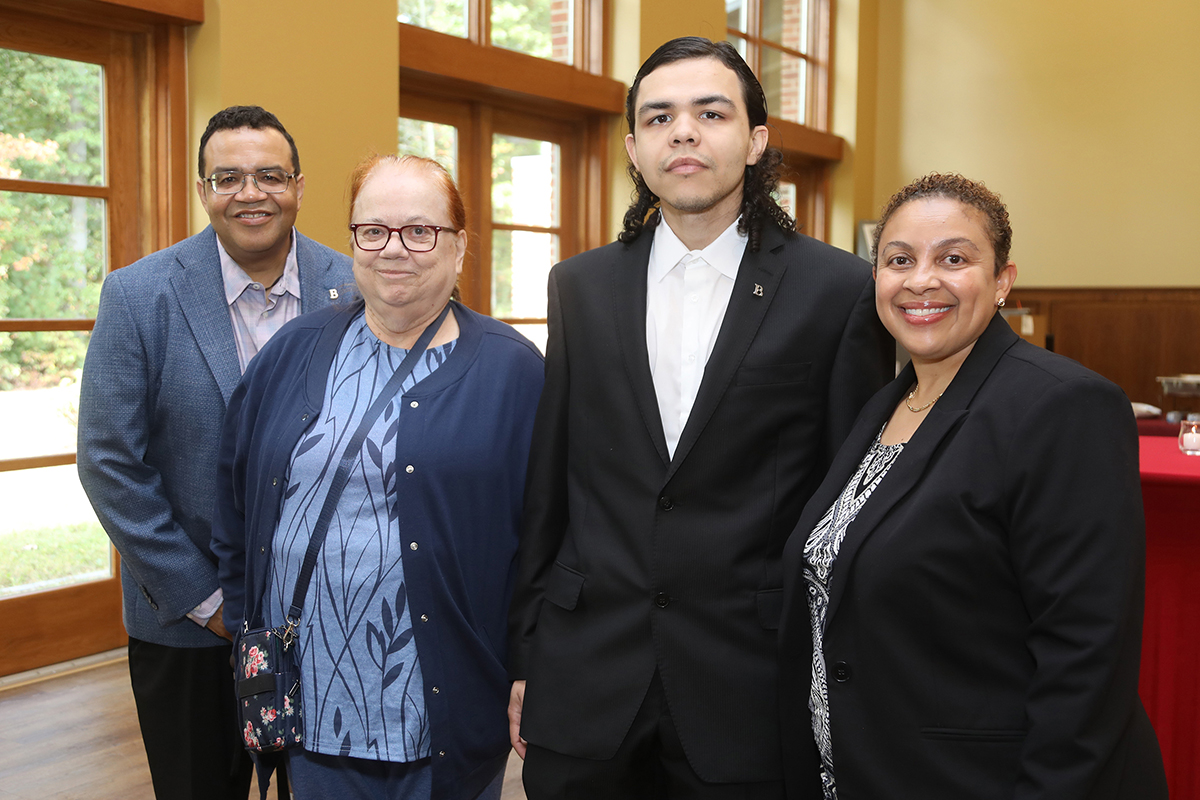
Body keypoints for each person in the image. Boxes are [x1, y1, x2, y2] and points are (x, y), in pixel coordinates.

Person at [507, 36, 894, 799]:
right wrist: (527, 653)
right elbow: (551, 482)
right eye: (658, 117)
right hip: (587, 675)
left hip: (748, 680)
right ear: (634, 147)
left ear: (754, 141)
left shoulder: (839, 290)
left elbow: (848, 504)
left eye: (709, 112)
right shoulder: (578, 286)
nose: (682, 131)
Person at [777, 173, 1168, 799]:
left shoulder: (1063, 406)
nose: (922, 279)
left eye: (953, 258)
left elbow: (1085, 656)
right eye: (898, 259)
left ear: (1003, 280)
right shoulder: (884, 404)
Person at [210, 154, 544, 799]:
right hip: (307, 697)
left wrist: (531, 666)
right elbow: (236, 494)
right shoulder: (295, 352)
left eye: (421, 231)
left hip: (443, 699)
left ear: (459, 246)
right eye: (374, 230)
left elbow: (548, 537)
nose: (396, 250)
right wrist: (243, 609)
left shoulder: (513, 372)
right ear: (353, 242)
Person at [77, 105, 352, 800]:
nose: (250, 193)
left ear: (298, 184)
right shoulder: (139, 296)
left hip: (330, 619)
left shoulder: (356, 288)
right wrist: (206, 600)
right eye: (227, 177)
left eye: (269, 175)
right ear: (203, 190)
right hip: (188, 625)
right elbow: (110, 463)